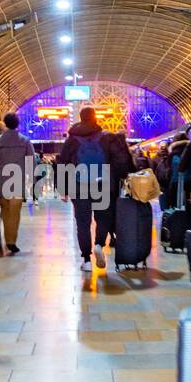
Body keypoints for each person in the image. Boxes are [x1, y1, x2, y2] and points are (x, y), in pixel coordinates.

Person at [57, 106, 132, 270]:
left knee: (83, 222)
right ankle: (99, 244)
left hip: (79, 184)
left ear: (80, 118)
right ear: (95, 117)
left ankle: (86, 260)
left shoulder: (72, 140)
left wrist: (63, 190)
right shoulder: (107, 137)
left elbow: (63, 163)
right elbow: (120, 162)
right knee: (103, 218)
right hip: (102, 183)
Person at [0, 112, 35, 255]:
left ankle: (7, 241)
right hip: (18, 182)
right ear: (17, 124)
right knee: (15, 213)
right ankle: (11, 241)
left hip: (2, 183)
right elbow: (31, 162)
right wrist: (32, 181)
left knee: (5, 212)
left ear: (5, 124)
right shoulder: (25, 141)